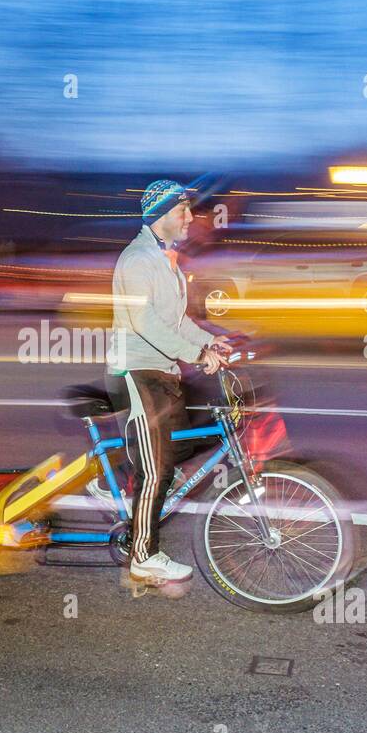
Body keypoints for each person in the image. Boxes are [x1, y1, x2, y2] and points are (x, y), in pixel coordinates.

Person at [103, 179, 232, 586]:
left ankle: (129, 469)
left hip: (163, 374)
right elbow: (145, 324)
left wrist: (209, 340)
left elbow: (176, 322)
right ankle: (143, 556)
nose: (190, 217)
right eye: (182, 211)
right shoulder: (137, 260)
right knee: (158, 470)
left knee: (178, 449)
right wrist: (196, 355)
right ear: (161, 215)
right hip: (137, 373)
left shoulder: (167, 260)